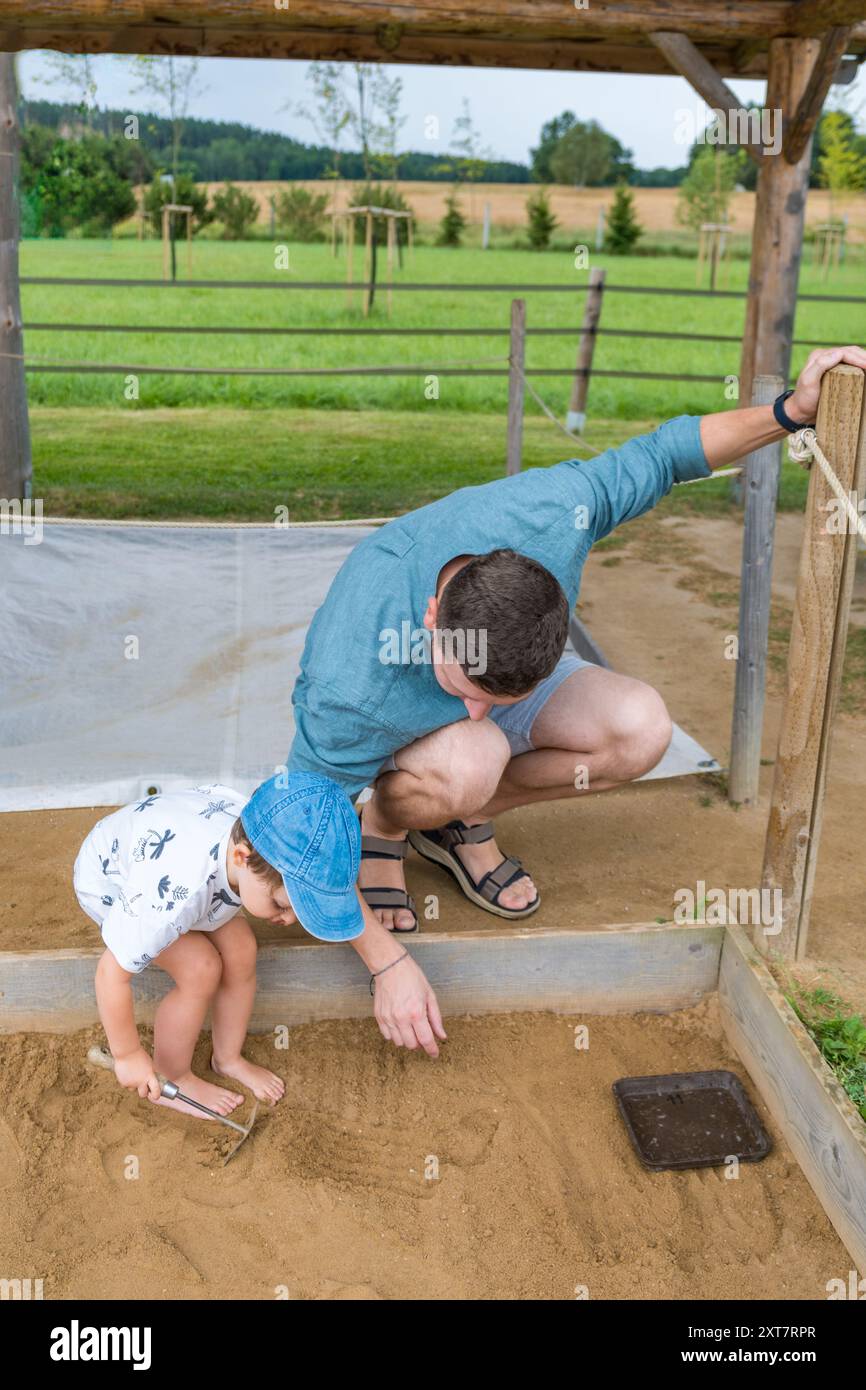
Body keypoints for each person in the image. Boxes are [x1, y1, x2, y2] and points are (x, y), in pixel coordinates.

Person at [288, 346, 866, 939]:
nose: (480, 713)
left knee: (641, 729)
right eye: (464, 686)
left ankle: (462, 819)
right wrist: (380, 960)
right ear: (433, 618)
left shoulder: (558, 514)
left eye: (504, 698)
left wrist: (792, 410)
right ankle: (383, 826)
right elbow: (298, 817)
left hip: (489, 670)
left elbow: (665, 456)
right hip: (396, 722)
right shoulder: (349, 682)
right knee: (476, 753)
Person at [73, 772, 448, 1107]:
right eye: (282, 904)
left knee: (241, 948)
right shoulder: (173, 897)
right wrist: (126, 1055)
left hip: (189, 868)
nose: (287, 919)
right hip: (114, 883)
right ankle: (175, 1075)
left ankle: (228, 1058)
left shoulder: (258, 824)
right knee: (201, 968)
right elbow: (111, 975)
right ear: (242, 856)